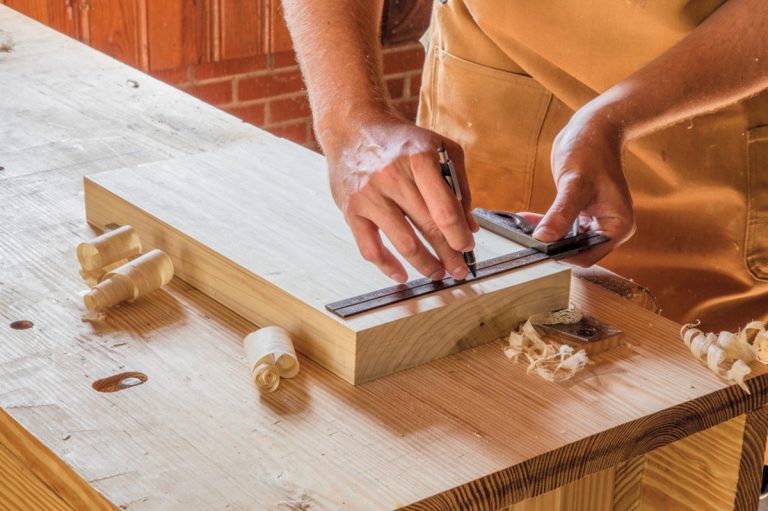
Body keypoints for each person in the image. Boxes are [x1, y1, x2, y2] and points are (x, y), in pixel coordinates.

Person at [282, 0, 768, 330]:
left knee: (684, 432)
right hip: (484, 100)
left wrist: (613, 118)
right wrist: (350, 119)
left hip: (706, 119)